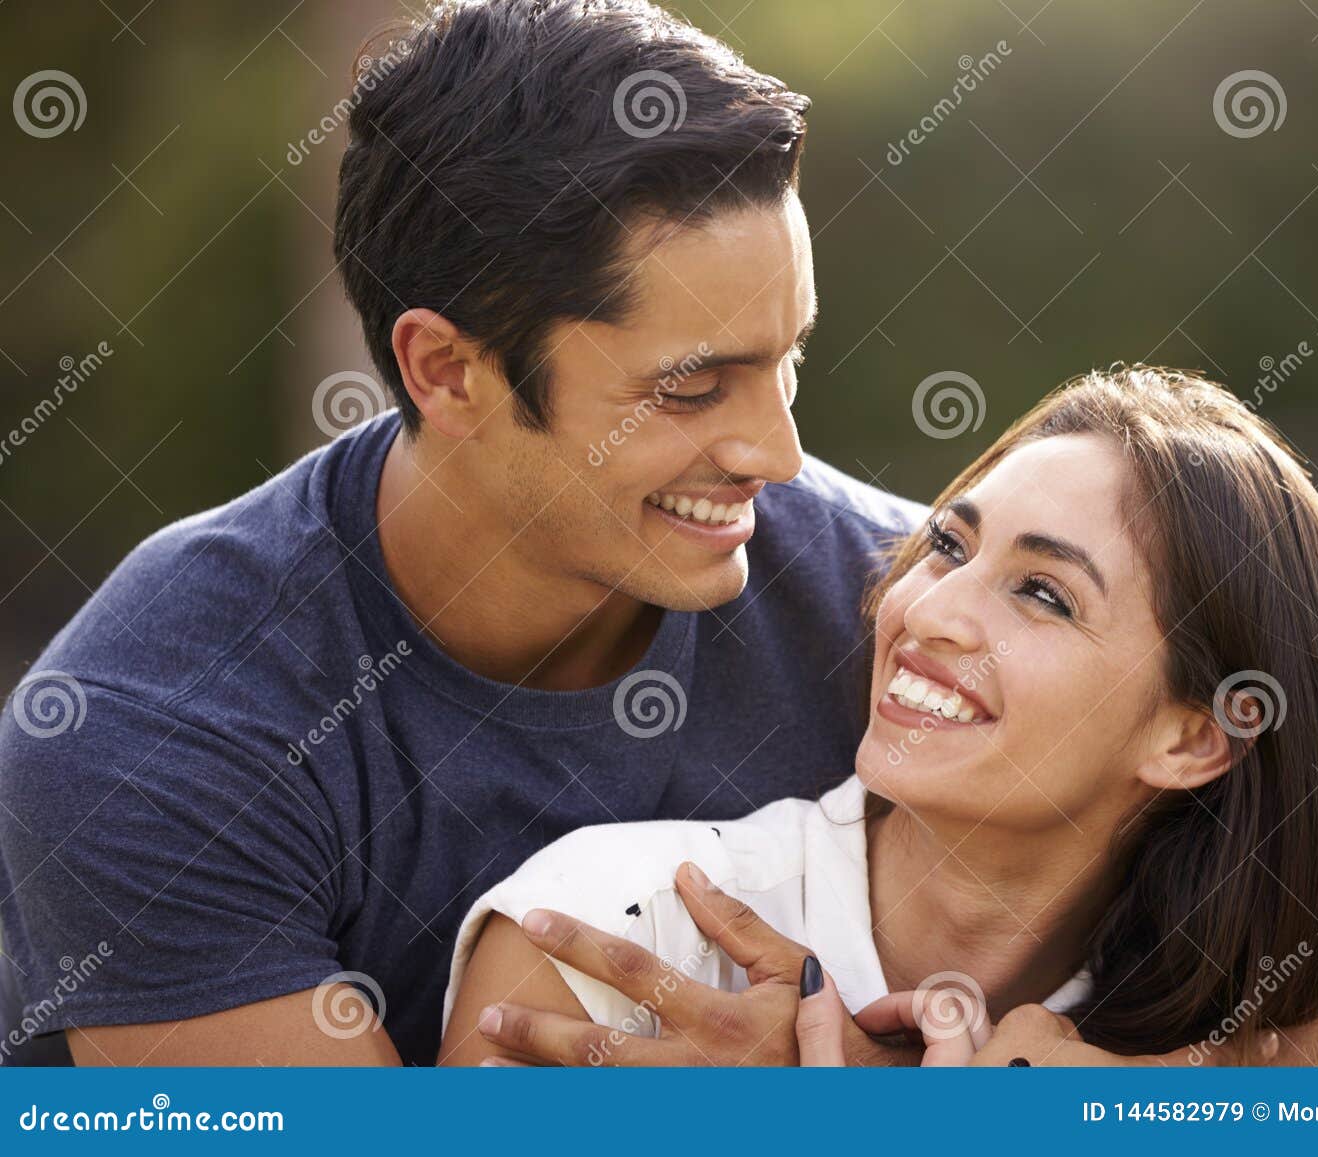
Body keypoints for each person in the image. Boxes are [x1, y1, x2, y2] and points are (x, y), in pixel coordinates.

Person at [0, 0, 923, 1066]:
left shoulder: (911, 614)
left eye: (786, 360)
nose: (779, 453)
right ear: (448, 370)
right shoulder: (153, 730)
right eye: (691, 387)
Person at [440, 368, 1318, 1067]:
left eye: (1043, 594)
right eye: (947, 546)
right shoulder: (609, 935)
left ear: (1194, 734)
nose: (928, 611)